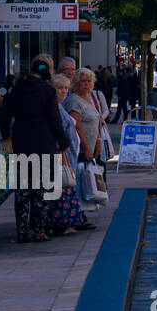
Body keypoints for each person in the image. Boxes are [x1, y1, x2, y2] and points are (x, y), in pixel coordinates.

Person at [0, 54, 69, 243]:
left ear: (32, 69)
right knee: (41, 190)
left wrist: (6, 134)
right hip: (43, 143)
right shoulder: (48, 91)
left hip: (21, 142)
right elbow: (55, 120)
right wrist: (64, 142)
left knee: (22, 191)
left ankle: (22, 231)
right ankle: (38, 230)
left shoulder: (17, 88)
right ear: (48, 71)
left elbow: (4, 115)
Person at [46, 73, 94, 234]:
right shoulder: (55, 107)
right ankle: (61, 224)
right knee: (63, 189)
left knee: (67, 189)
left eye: (65, 88)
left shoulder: (60, 106)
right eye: (59, 88)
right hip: (62, 155)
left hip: (70, 154)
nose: (63, 91)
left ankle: (66, 222)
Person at [66, 69, 105, 193]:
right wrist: (87, 148)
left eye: (89, 81)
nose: (86, 84)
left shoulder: (90, 97)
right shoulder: (74, 100)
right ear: (76, 83)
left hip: (93, 146)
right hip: (81, 149)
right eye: (83, 81)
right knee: (82, 180)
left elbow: (96, 120)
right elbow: (77, 126)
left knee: (92, 180)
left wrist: (98, 141)